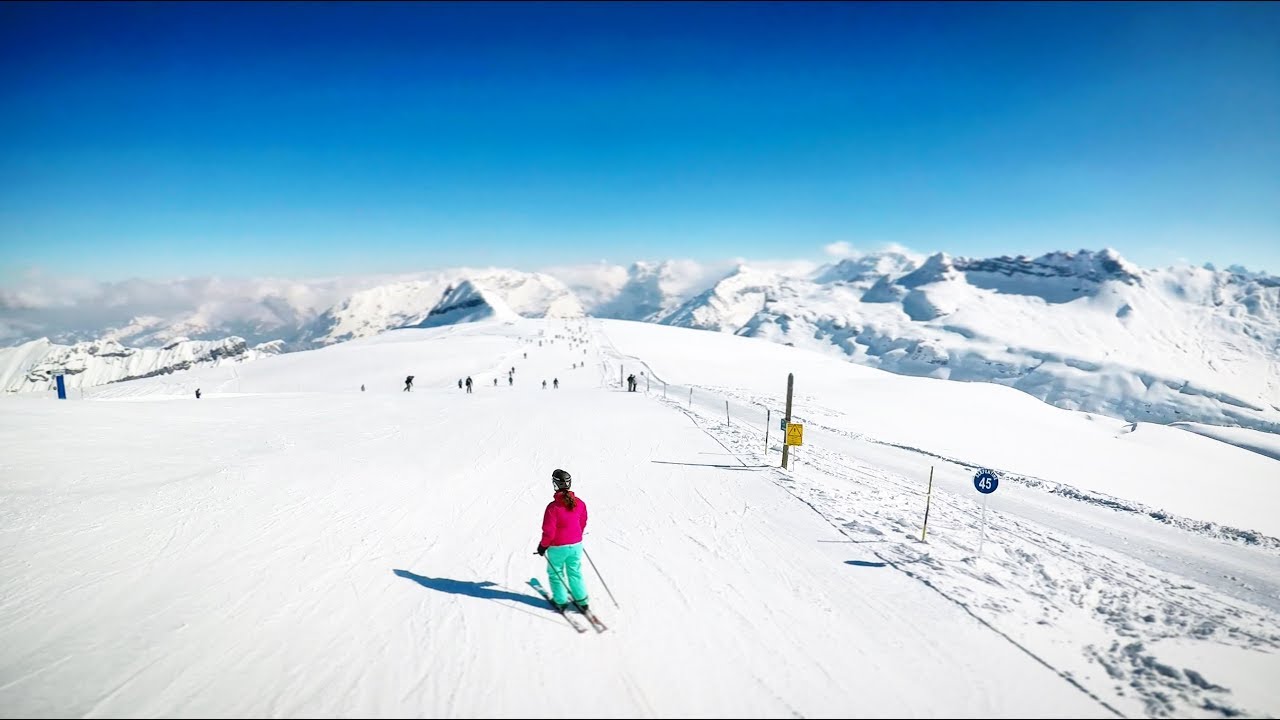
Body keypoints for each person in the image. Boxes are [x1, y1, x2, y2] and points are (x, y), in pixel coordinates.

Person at [536, 469, 589, 611]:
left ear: (555, 484)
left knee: (556, 573)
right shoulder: (581, 503)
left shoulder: (553, 508)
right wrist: (576, 536)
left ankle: (560, 601)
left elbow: (549, 531)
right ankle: (582, 601)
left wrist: (542, 546)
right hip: (576, 546)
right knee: (575, 572)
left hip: (558, 547)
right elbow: (582, 522)